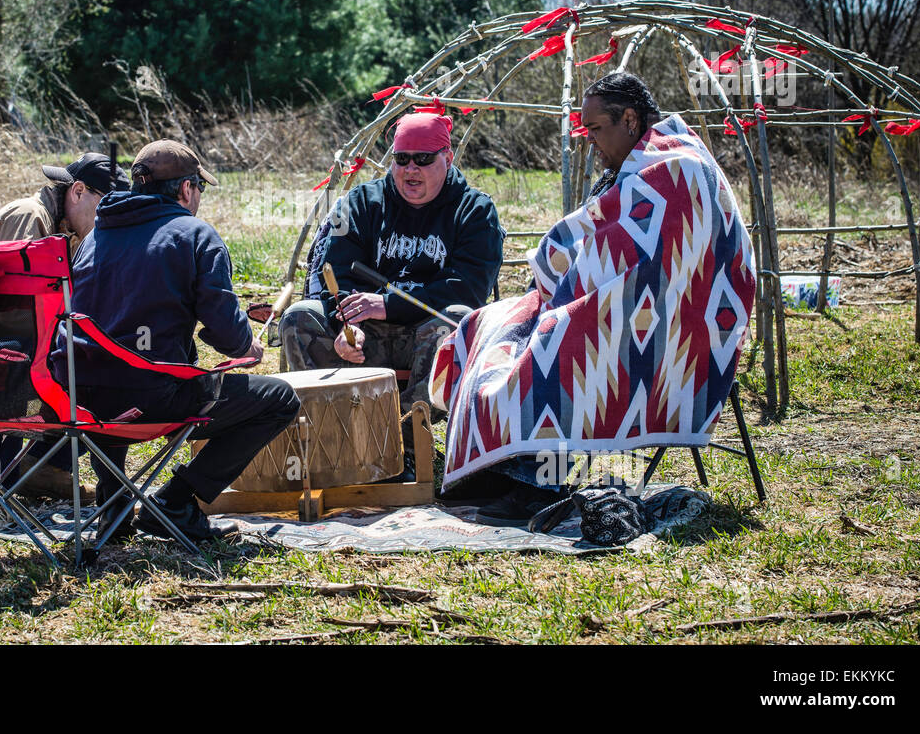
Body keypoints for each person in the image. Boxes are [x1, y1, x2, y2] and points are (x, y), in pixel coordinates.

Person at [430, 72, 755, 526]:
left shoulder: (678, 169)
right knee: (486, 327)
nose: (589, 141)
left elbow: (649, 254)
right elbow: (607, 243)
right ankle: (496, 472)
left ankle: (536, 484)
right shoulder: (637, 169)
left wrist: (563, 269)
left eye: (595, 128)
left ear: (629, 118)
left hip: (678, 326)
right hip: (632, 306)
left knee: (553, 346)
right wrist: (563, 274)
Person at [50, 139, 301, 542]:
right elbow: (228, 333)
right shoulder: (194, 234)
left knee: (108, 363)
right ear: (186, 189)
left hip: (77, 398)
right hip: (153, 399)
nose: (199, 196)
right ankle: (176, 500)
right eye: (199, 188)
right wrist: (246, 347)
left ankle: (113, 506)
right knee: (280, 400)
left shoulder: (95, 235)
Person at [279, 111, 504, 478]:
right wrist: (344, 324)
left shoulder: (475, 211)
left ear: (447, 157)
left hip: (425, 337)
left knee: (458, 320)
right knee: (298, 317)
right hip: (365, 336)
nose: (410, 169)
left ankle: (404, 448)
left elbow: (467, 287)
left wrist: (387, 305)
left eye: (423, 159)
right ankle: (330, 442)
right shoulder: (360, 203)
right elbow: (331, 270)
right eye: (402, 159)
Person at [0, 153, 130, 501]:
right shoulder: (30, 217)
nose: (108, 218)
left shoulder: (69, 228)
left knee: (109, 371)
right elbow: (12, 309)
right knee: (73, 366)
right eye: (106, 205)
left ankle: (45, 467)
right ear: (77, 191)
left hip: (23, 342)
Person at [0, 152, 130, 256]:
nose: (113, 216)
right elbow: (17, 299)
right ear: (78, 192)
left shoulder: (72, 234)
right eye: (109, 204)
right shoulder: (28, 216)